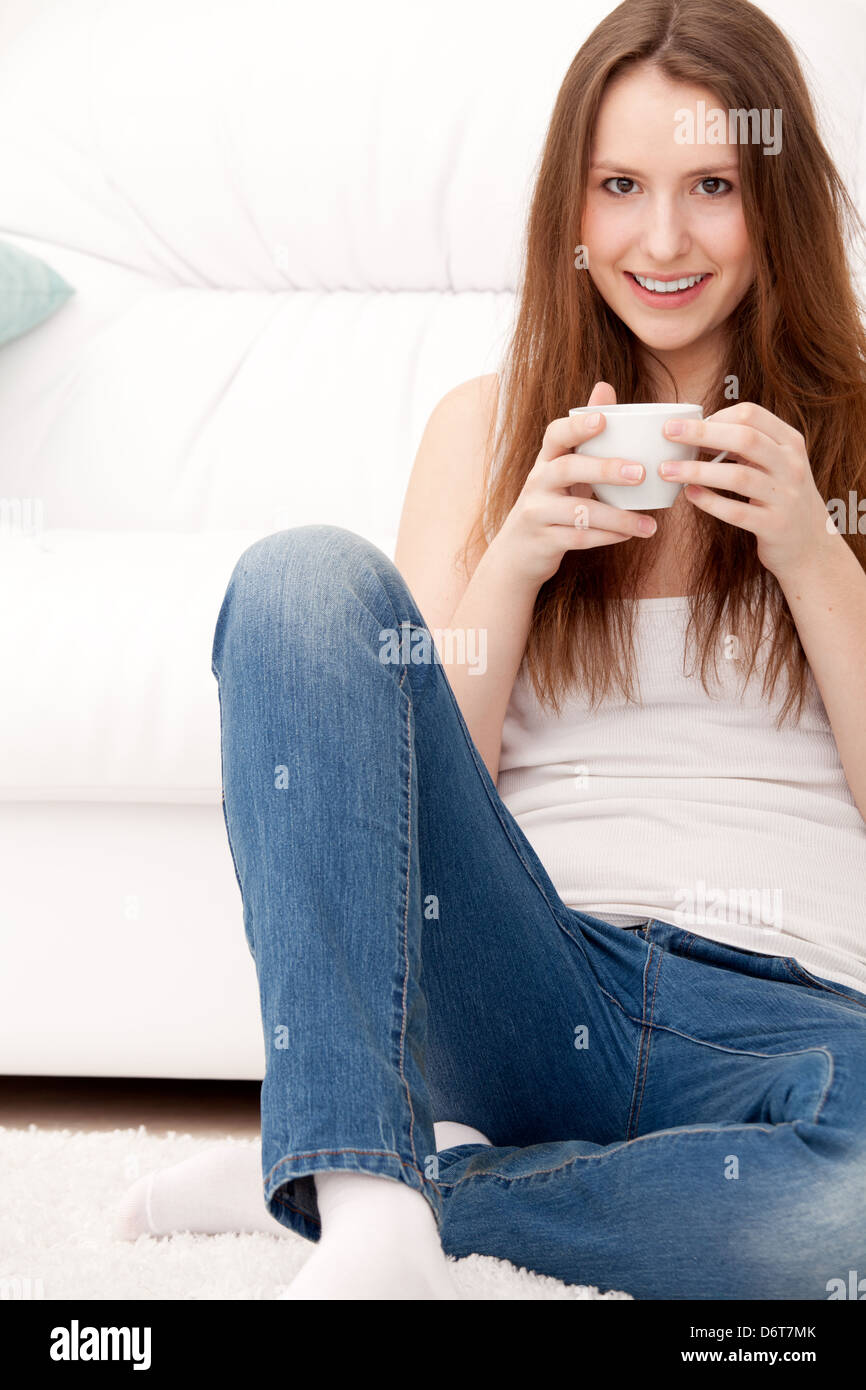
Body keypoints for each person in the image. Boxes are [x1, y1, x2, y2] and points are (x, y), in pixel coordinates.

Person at [117, 0, 866, 1300]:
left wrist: (811, 548)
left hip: (795, 1016)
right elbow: (399, 809)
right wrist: (515, 560)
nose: (663, 237)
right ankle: (366, 1174)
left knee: (844, 1206)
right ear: (568, 211)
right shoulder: (485, 425)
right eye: (619, 185)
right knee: (301, 579)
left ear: (776, 202)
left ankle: (371, 1185)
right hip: (531, 978)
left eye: (711, 187)